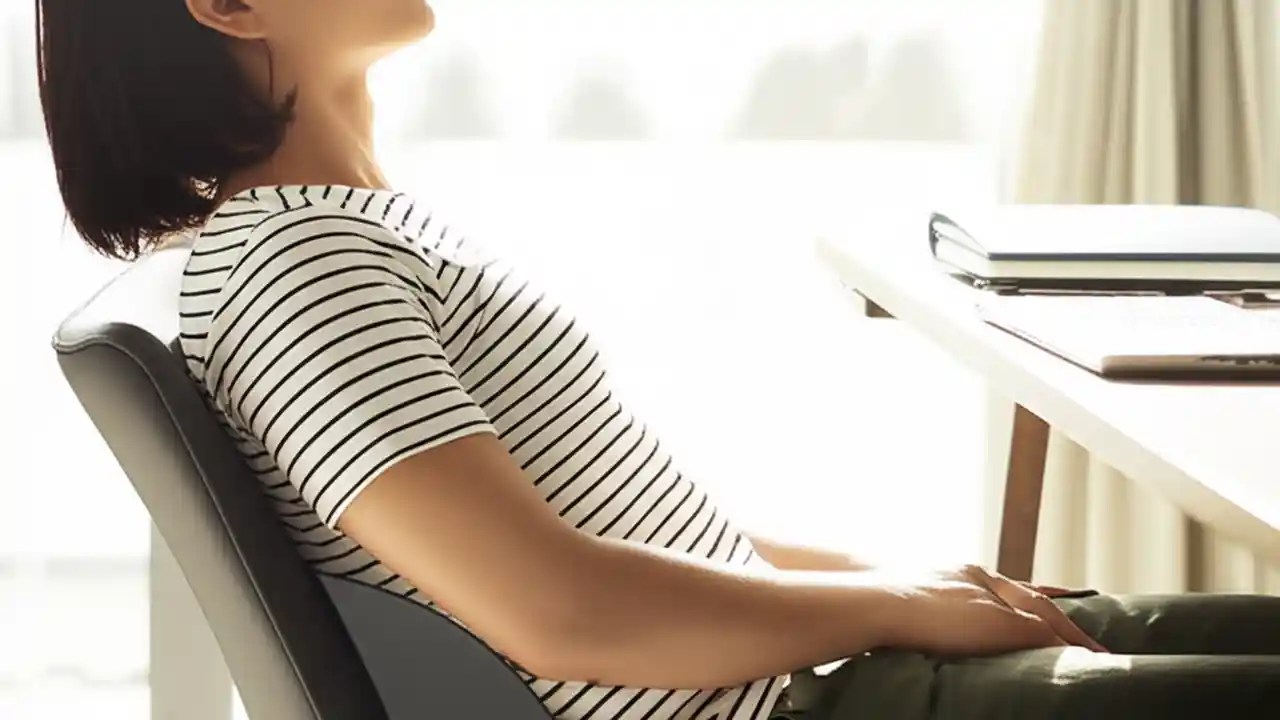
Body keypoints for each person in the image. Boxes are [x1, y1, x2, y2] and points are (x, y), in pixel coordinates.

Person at [34, 1, 1280, 718]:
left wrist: (896, 580)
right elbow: (559, 611)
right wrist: (894, 608)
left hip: (801, 671)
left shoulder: (349, 234)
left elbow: (618, 531)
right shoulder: (298, 265)